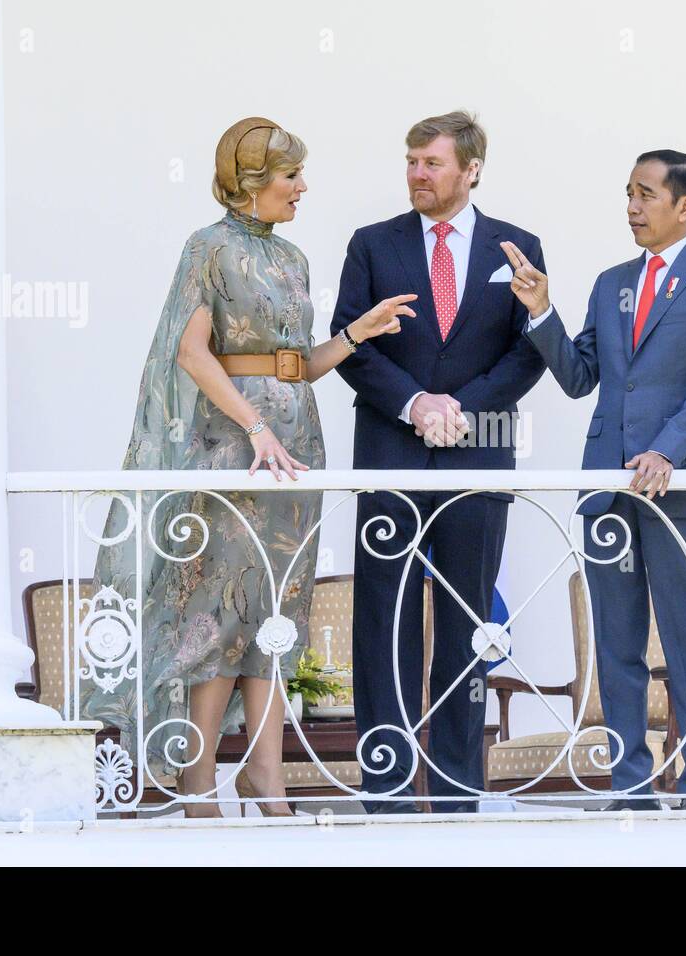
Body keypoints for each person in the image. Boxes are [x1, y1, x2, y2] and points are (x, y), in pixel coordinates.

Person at [85, 117, 415, 817]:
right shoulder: (206, 248)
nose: (303, 186)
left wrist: (357, 334)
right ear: (252, 180)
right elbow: (192, 353)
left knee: (276, 613)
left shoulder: (292, 257)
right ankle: (196, 778)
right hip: (234, 448)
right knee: (218, 611)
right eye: (291, 175)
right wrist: (256, 424)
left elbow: (297, 367)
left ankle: (267, 777)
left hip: (296, 450)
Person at [504, 149, 686, 810]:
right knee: (615, 647)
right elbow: (582, 375)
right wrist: (541, 311)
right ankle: (630, 786)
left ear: (684, 206)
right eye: (628, 193)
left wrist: (667, 451)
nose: (632, 207)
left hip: (680, 489)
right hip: (608, 486)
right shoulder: (612, 279)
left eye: (645, 194)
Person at [331, 111, 546, 813]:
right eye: (412, 161)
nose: (417, 174)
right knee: (383, 622)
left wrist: (459, 409)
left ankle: (457, 790)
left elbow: (526, 352)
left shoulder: (520, 248)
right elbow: (349, 346)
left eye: (431, 162)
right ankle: (386, 790)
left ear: (471, 169)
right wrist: (417, 403)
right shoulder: (371, 244)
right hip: (390, 453)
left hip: (478, 459)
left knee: (467, 625)